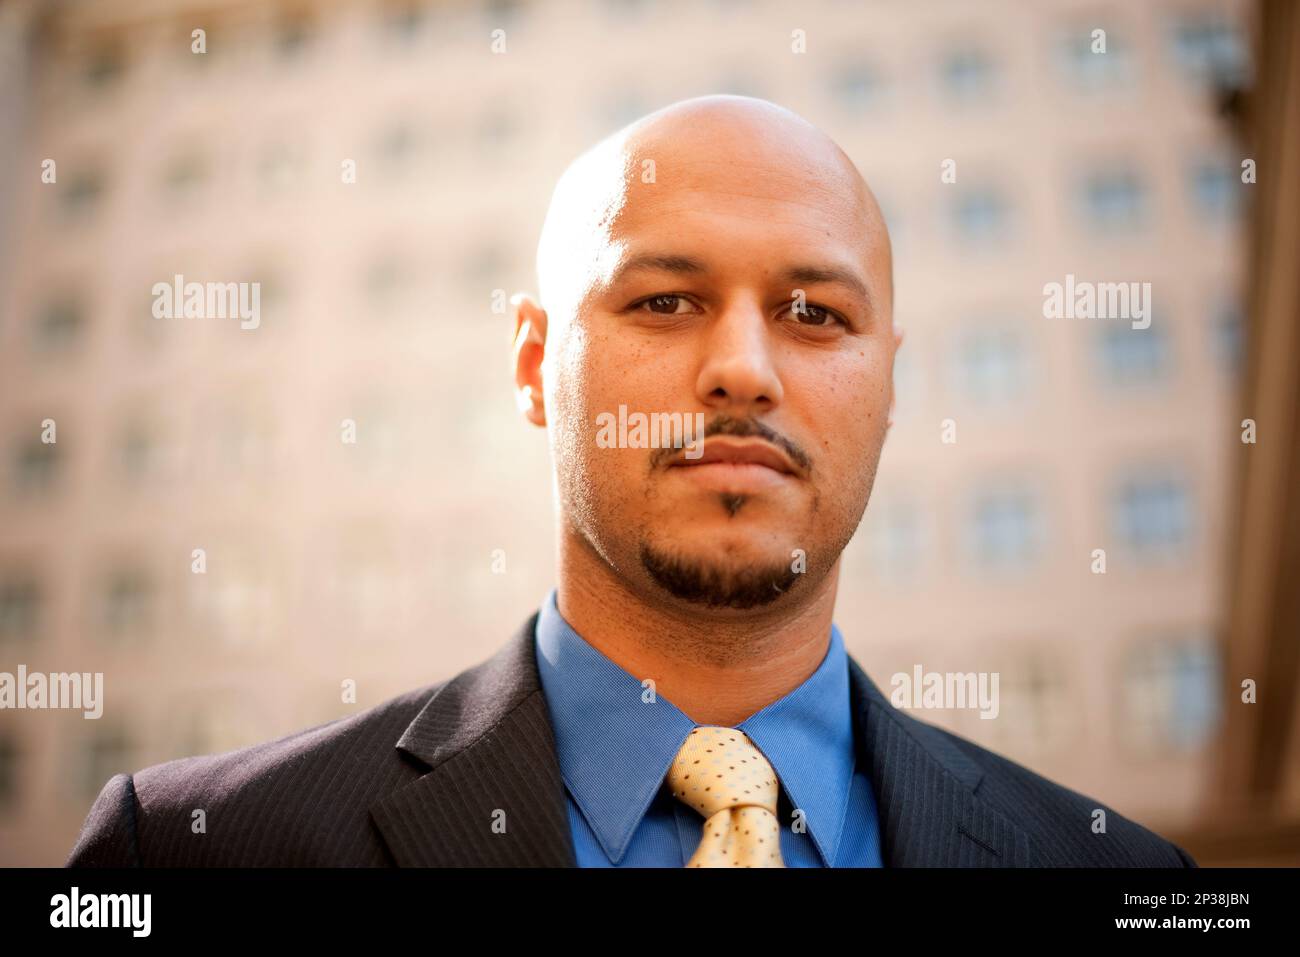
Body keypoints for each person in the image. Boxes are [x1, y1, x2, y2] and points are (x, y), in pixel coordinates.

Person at [67, 95, 1195, 868]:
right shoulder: (184, 852)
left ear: (887, 387)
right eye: (663, 300)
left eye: (815, 315)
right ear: (531, 368)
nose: (742, 371)